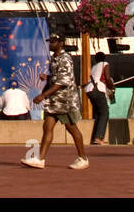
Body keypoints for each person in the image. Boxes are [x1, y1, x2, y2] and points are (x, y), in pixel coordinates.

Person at [22, 33, 88, 169]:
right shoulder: (55, 58)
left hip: (65, 101)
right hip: (54, 102)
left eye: (53, 41)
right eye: (50, 41)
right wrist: (47, 76)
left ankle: (83, 158)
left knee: (72, 128)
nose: (50, 44)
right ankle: (40, 159)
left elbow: (62, 82)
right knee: (47, 127)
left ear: (61, 43)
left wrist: (43, 95)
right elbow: (57, 77)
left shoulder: (65, 58)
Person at [85, 51, 113, 144]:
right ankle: (98, 137)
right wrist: (111, 86)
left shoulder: (93, 67)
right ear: (104, 58)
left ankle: (95, 138)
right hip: (98, 89)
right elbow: (107, 78)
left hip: (89, 90)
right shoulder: (105, 64)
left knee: (98, 114)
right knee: (104, 112)